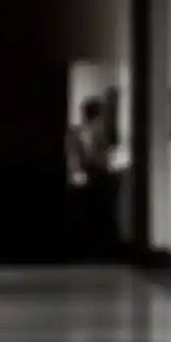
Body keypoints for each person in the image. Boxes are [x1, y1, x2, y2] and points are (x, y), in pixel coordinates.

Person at [66, 97, 117, 258]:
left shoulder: (95, 133)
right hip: (91, 175)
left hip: (96, 176)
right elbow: (78, 156)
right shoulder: (81, 133)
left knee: (97, 213)